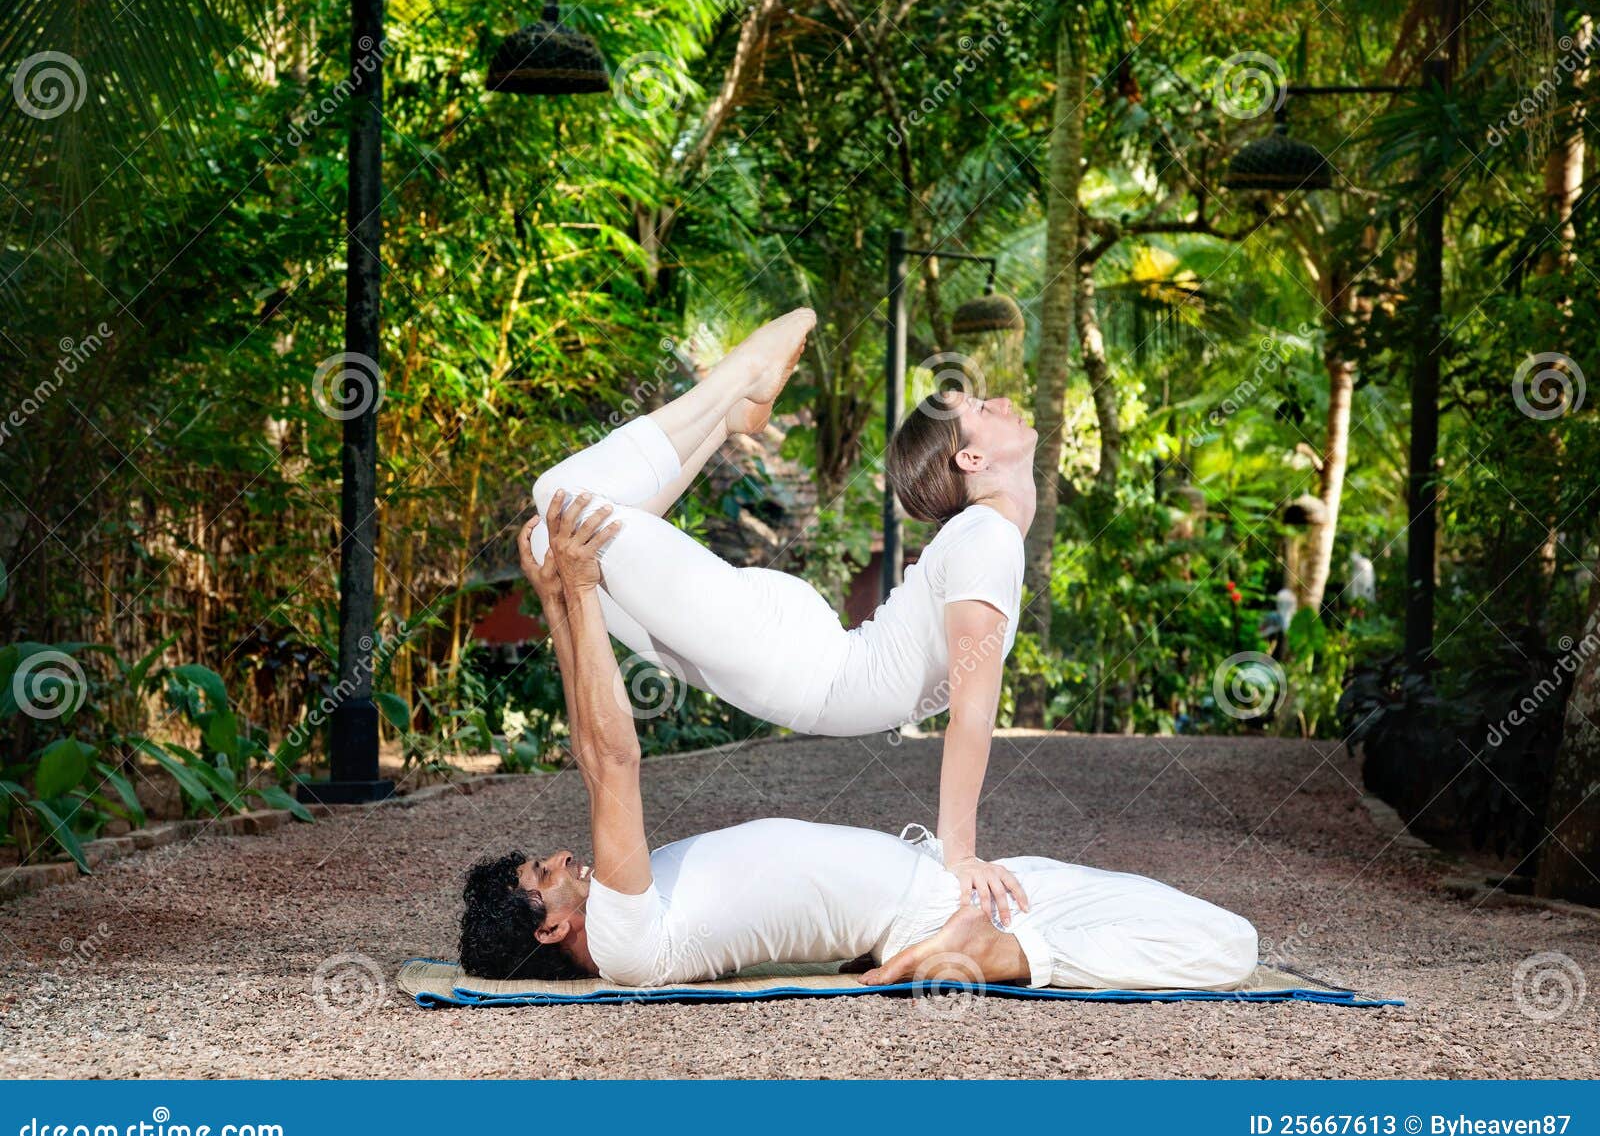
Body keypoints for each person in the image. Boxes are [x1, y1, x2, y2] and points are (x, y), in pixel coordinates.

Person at [456, 499, 1259, 993]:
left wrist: (559, 596)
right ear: (552, 931)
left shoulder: (624, 918)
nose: (561, 859)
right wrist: (585, 591)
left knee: (1187, 930)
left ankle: (1005, 944)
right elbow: (610, 760)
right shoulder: (625, 940)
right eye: (544, 875)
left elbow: (589, 746)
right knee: (1229, 944)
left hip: (943, 892)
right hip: (935, 917)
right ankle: (1007, 957)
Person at [525, 308, 1038, 918]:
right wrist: (961, 859)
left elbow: (971, 717)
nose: (1003, 402)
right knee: (560, 507)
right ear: (971, 463)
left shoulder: (987, 536)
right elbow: (971, 721)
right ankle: (738, 378)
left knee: (551, 543)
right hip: (791, 661)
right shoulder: (989, 537)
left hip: (791, 660)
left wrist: (957, 859)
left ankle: (730, 418)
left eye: (978, 406)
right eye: (982, 410)